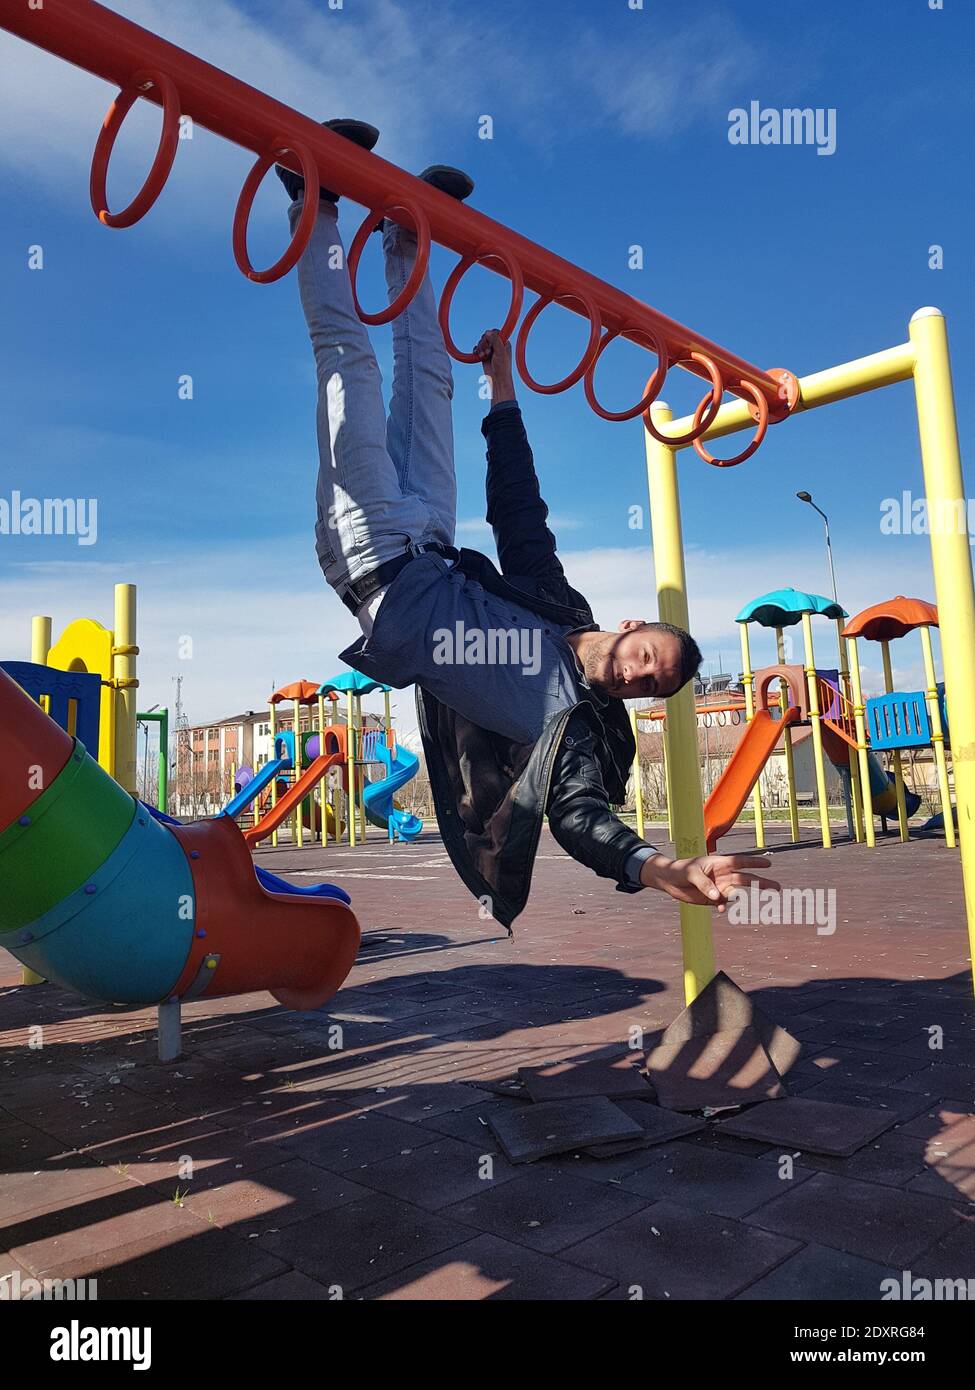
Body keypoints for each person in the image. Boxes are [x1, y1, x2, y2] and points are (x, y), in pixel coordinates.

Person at [281, 119, 779, 928]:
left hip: (373, 562)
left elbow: (582, 820)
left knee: (350, 365)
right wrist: (503, 384)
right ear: (627, 629)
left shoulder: (572, 730)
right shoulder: (558, 605)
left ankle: (314, 203)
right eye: (645, 658)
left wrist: (656, 870)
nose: (635, 677)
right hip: (433, 543)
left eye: (647, 686)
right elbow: (520, 511)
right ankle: (409, 237)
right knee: (431, 380)